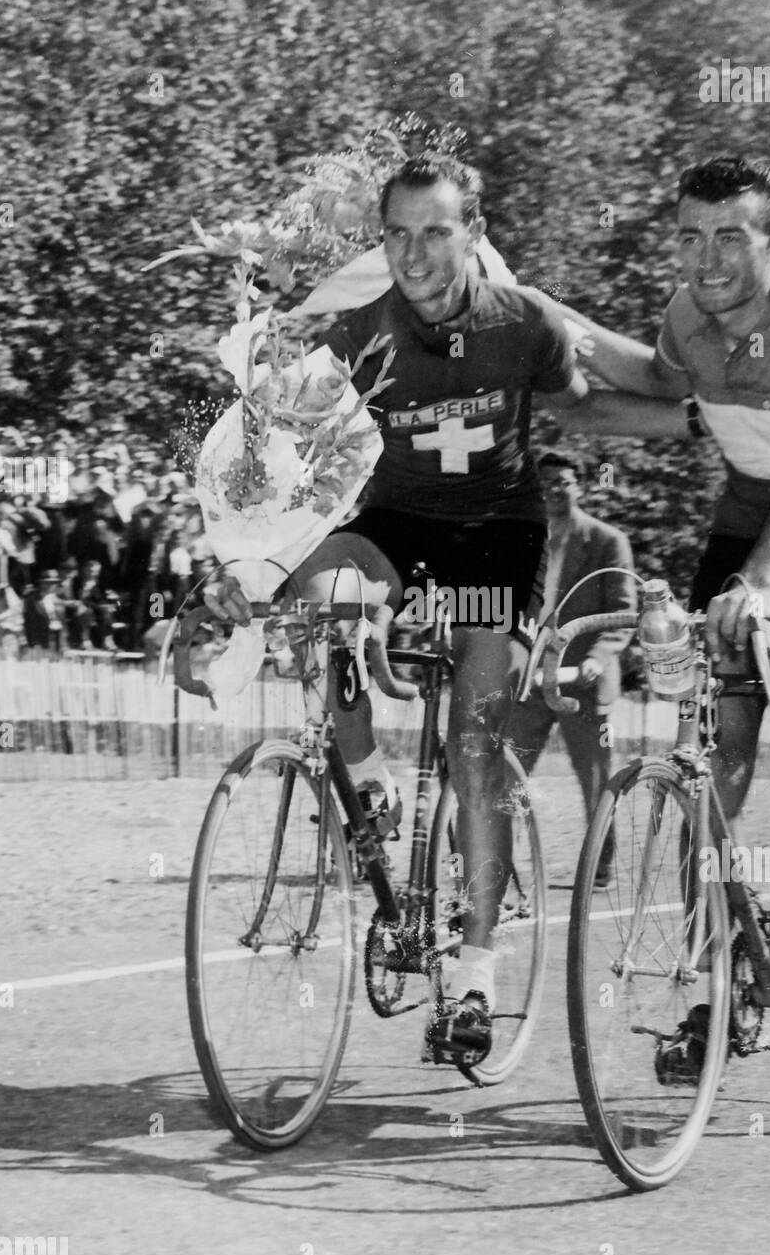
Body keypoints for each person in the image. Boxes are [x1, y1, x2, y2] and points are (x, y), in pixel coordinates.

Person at [206, 151, 594, 1062]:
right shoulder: (358, 330)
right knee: (317, 601)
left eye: (435, 230)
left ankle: (474, 972)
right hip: (401, 520)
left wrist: (696, 406)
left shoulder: (526, 322)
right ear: (379, 241)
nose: (415, 252)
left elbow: (584, 402)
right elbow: (272, 438)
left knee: (474, 738)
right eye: (397, 234)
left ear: (474, 235)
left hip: (496, 533)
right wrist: (236, 551)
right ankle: (368, 776)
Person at [536, 153, 770, 946]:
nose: (706, 260)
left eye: (729, 237)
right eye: (689, 238)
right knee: (713, 759)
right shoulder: (686, 313)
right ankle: (712, 981)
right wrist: (541, 320)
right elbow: (655, 383)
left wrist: (754, 584)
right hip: (747, 525)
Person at [506, 452, 636, 885]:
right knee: (510, 771)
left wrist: (597, 660)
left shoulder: (606, 540)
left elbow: (623, 614)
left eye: (563, 482)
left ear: (579, 486)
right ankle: (500, 863)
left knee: (596, 779)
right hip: (533, 679)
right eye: (545, 483)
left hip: (583, 683)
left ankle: (599, 867)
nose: (554, 491)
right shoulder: (523, 538)